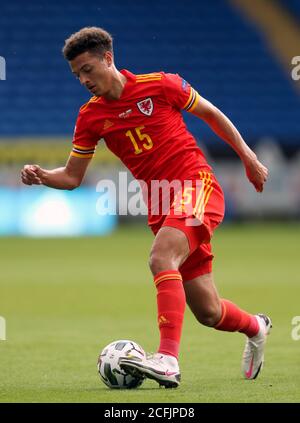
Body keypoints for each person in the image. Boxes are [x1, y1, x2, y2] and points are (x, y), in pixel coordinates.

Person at [21, 27, 272, 388]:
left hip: (196, 186)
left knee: (160, 258)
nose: (83, 80)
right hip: (161, 206)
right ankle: (256, 327)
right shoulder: (90, 117)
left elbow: (212, 114)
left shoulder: (161, 85)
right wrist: (43, 175)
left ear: (108, 58)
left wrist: (248, 157)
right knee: (208, 311)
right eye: (77, 74)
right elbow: (73, 177)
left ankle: (167, 359)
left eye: (88, 69)